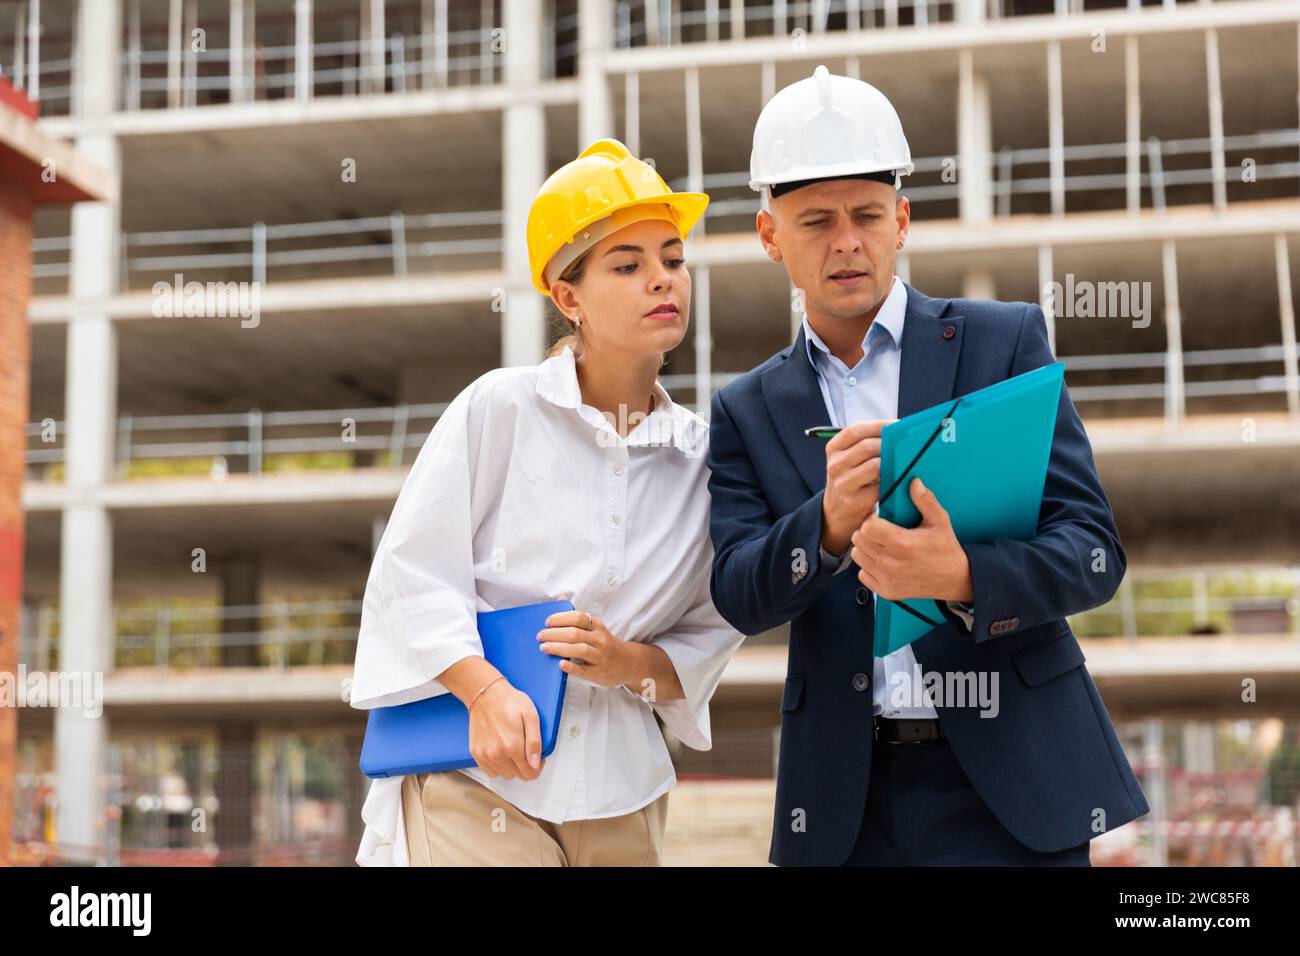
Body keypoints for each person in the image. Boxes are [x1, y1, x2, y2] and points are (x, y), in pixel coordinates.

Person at [707, 65, 1150, 866]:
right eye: (816, 222)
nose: (847, 241)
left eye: (868, 215)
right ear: (770, 236)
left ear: (902, 220)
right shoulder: (745, 407)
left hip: (1014, 786)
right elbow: (738, 592)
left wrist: (964, 576)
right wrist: (827, 527)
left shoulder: (1003, 342)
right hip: (845, 802)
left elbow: (1093, 552)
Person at [348, 138, 744, 866]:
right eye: (627, 266)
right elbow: (410, 577)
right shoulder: (500, 409)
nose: (663, 280)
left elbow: (715, 625)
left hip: (625, 793)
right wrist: (486, 692)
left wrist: (630, 662)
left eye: (672, 258)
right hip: (477, 775)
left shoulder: (705, 456)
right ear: (568, 298)